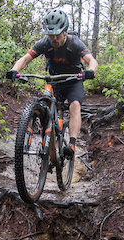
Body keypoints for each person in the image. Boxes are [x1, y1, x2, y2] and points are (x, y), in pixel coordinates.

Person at [6, 8, 98, 158]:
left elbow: (92, 60)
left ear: (65, 32)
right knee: (45, 103)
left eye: (57, 34)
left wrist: (91, 70)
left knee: (75, 105)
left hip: (74, 81)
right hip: (55, 80)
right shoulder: (44, 44)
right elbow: (25, 59)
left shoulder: (74, 43)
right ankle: (47, 135)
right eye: (51, 34)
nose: (54, 38)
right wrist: (14, 70)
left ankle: (71, 145)